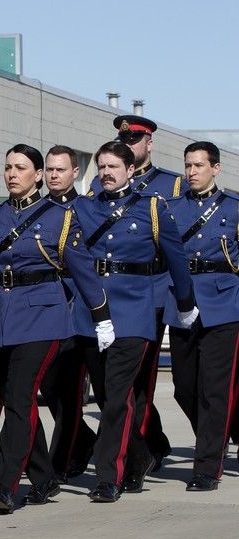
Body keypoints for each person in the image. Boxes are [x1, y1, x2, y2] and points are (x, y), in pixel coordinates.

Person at [0, 144, 112, 512]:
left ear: (38, 175)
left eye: (21, 167)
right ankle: (45, 476)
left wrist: (102, 315)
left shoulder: (60, 217)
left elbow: (81, 268)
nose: (12, 173)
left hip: (42, 317)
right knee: (12, 398)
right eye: (7, 167)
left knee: (20, 397)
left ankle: (5, 484)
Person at [74, 141, 195, 502]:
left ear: (130, 170)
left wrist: (185, 303)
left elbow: (175, 258)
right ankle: (139, 457)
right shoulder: (83, 208)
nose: (107, 172)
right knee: (107, 395)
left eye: (114, 166)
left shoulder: (152, 209)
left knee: (117, 396)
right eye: (102, 166)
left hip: (134, 310)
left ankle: (108, 477)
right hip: (92, 313)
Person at [90, 116, 183, 476]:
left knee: (140, 379)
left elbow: (178, 242)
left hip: (156, 287)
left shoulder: (172, 183)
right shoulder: (100, 188)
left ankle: (138, 448)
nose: (128, 142)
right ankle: (143, 446)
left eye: (135, 138)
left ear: (149, 143)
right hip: (117, 293)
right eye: (122, 138)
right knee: (128, 383)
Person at [164, 141, 239, 491]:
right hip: (182, 300)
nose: (192, 172)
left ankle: (207, 466)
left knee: (214, 389)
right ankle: (219, 434)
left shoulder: (234, 208)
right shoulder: (171, 208)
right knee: (184, 386)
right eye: (188, 165)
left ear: (216, 168)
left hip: (224, 302)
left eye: (198, 165)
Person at [37, 145, 101, 480]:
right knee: (49, 387)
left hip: (78, 306)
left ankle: (60, 461)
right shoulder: (38, 209)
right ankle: (84, 442)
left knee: (73, 389)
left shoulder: (88, 208)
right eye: (49, 170)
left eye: (60, 170)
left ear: (75, 172)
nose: (53, 176)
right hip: (45, 305)